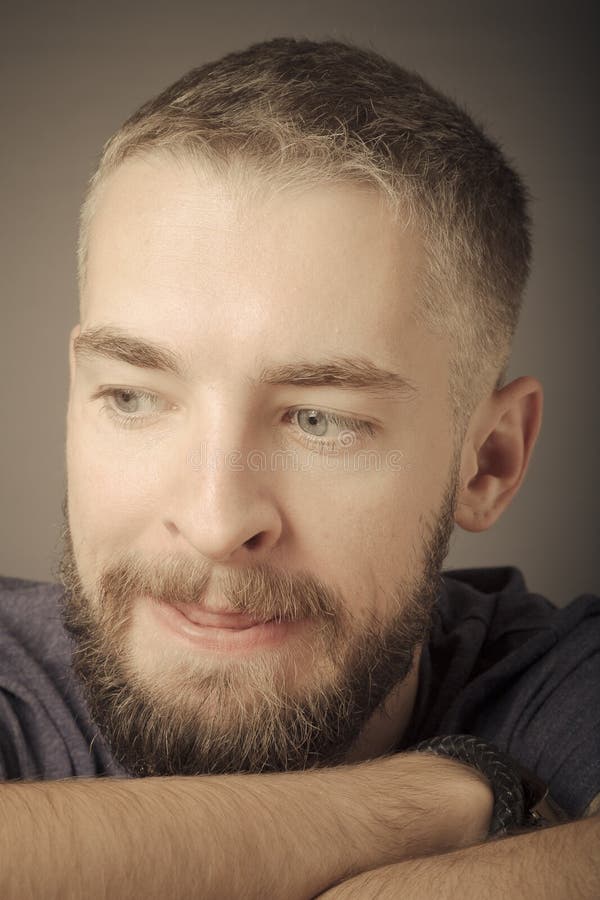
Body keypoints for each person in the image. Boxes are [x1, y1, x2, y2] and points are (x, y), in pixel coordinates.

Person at [1, 36, 598, 899]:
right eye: (133, 397)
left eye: (321, 420)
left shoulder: (566, 683)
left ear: (489, 462)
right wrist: (429, 801)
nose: (215, 521)